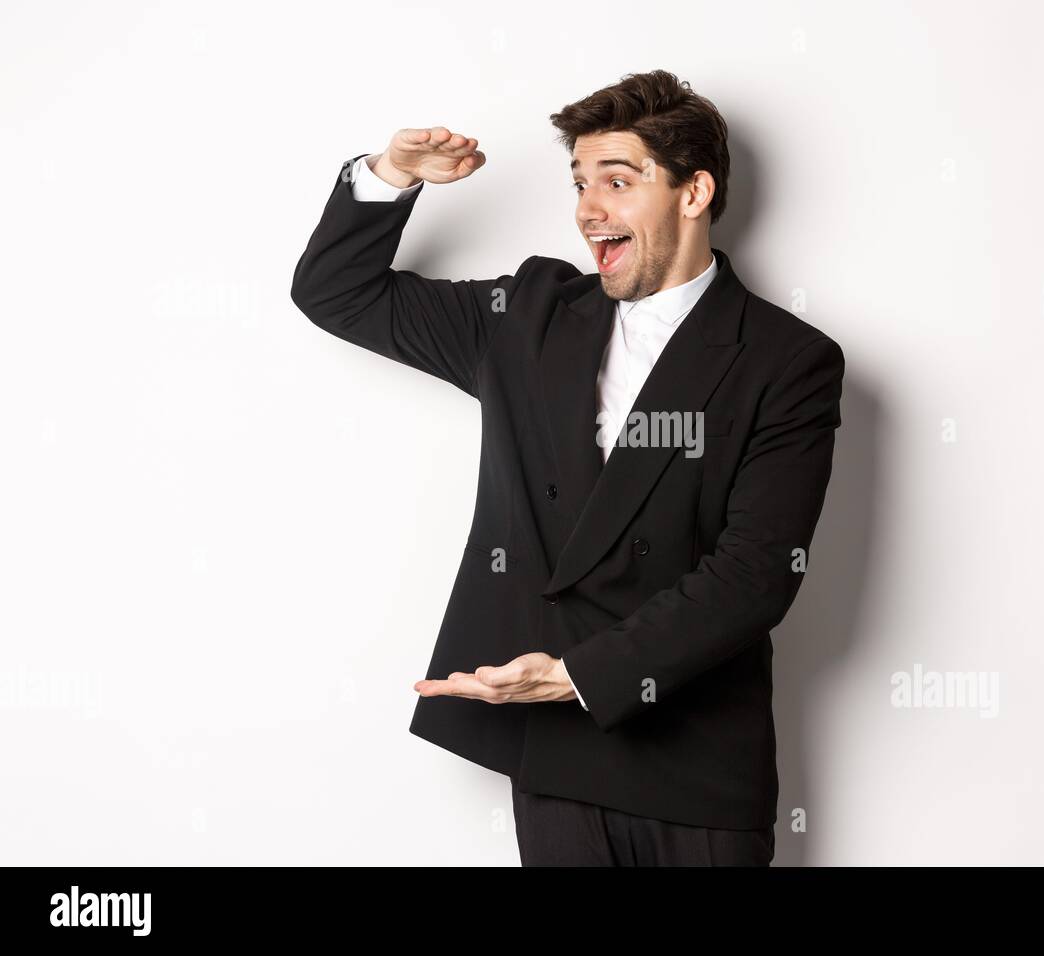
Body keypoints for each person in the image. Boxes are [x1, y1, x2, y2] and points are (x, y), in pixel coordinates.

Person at [290, 69, 844, 866]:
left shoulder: (788, 360)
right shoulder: (527, 317)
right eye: (581, 182)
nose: (589, 208)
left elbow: (756, 574)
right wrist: (391, 175)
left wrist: (577, 676)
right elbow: (336, 294)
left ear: (694, 194)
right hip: (556, 767)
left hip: (698, 772)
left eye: (618, 181)